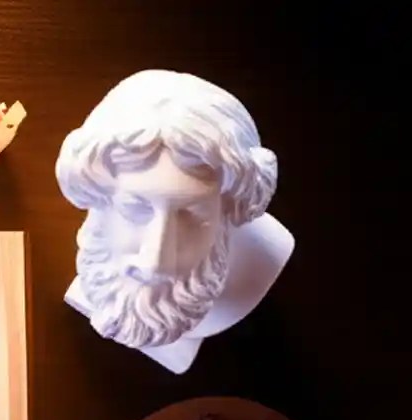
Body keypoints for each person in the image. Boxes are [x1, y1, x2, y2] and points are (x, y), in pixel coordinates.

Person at [55, 69, 281, 354]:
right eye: (135, 208)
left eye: (193, 215)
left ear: (229, 207)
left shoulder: (257, 261)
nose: (155, 262)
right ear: (98, 188)